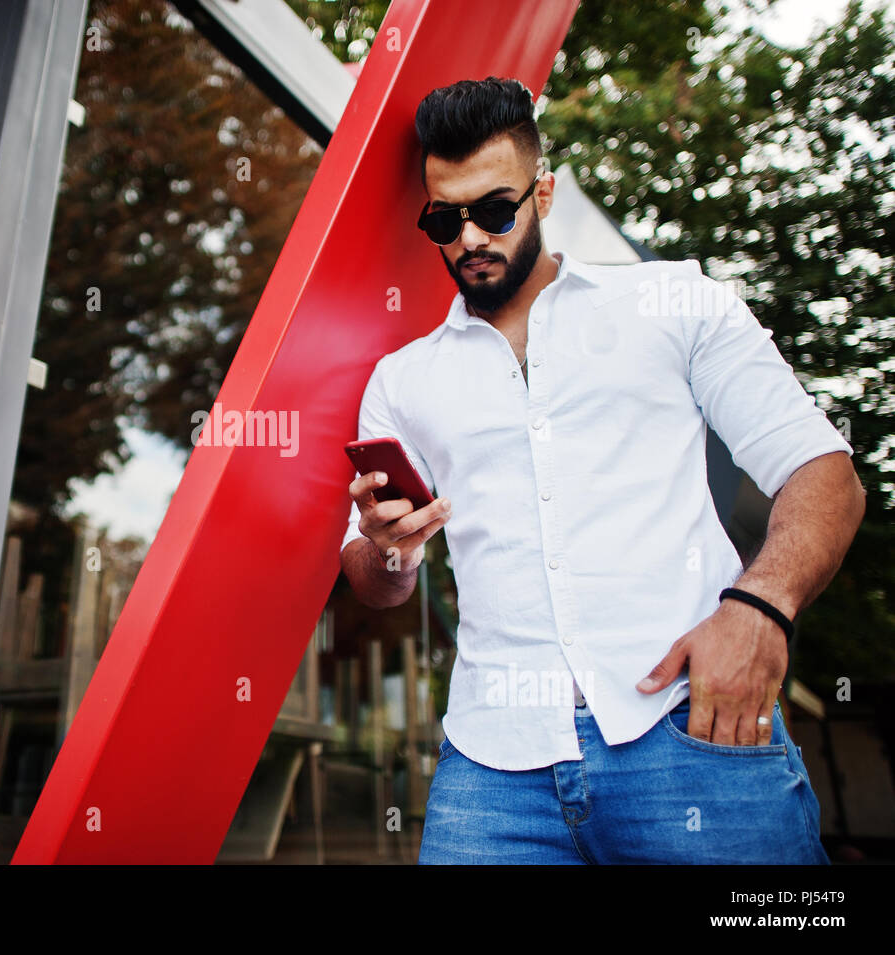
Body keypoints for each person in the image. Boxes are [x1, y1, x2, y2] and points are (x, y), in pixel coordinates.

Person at [340, 77, 866, 864]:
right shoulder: (400, 382)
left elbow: (825, 473)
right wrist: (393, 547)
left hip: (694, 734)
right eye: (445, 219)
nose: (471, 239)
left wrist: (760, 608)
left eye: (493, 210)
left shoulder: (674, 302)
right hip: (492, 772)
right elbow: (378, 581)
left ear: (543, 193)